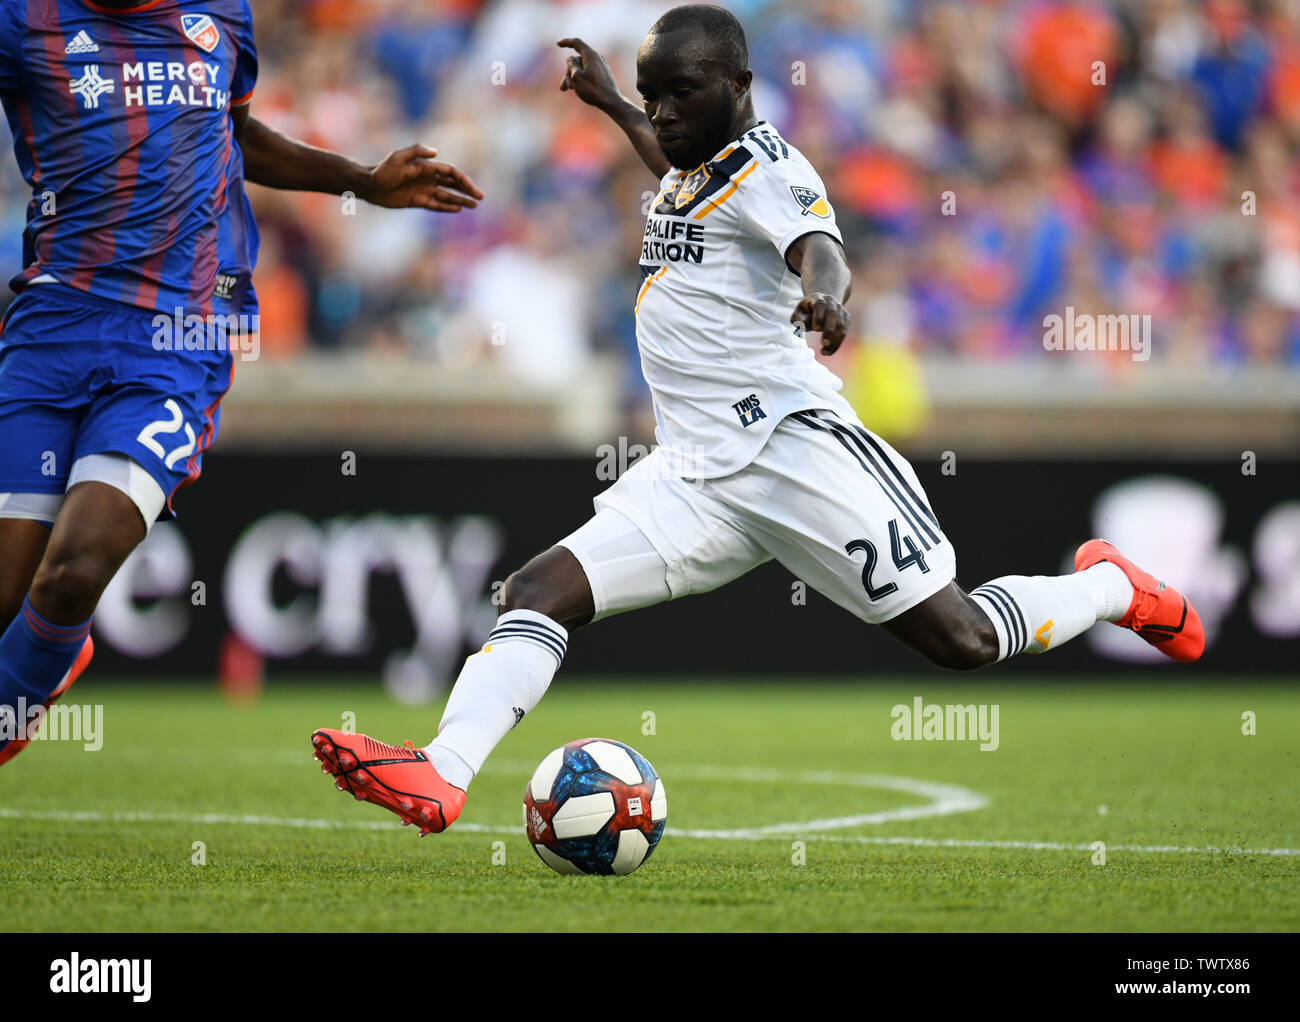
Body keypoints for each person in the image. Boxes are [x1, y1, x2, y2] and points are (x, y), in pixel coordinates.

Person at [310, 5, 1203, 836]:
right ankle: (444, 768)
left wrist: (826, 300)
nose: (661, 113)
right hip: (694, 469)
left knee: (961, 640)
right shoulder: (699, 162)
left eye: (678, 94)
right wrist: (614, 102)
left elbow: (819, 249)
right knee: (537, 593)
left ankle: (1112, 588)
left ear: (738, 86)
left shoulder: (775, 170)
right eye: (652, 94)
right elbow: (676, 170)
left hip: (791, 449)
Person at [0, 0, 482, 764]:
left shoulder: (221, 16)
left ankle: (38, 657)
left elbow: (235, 133)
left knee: (76, 567)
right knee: (11, 592)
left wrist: (362, 180)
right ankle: (40, 664)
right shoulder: (25, 22)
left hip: (176, 338)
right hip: (51, 327)